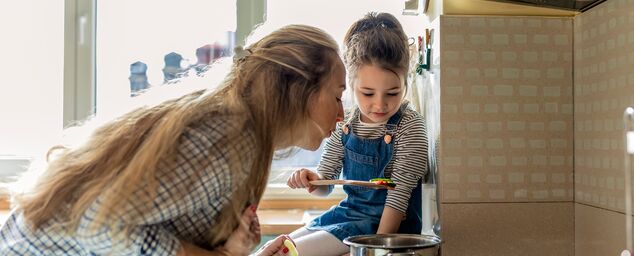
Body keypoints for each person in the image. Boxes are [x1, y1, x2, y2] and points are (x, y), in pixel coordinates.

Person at [0, 24, 347, 256]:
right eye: (337, 95)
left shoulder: (241, 138)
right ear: (299, 89)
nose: (341, 114)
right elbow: (100, 224)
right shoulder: (228, 141)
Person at [285, 12, 428, 256]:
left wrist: (377, 248)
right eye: (368, 93)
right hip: (348, 214)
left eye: (392, 93)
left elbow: (398, 198)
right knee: (281, 246)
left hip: (387, 226)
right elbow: (326, 185)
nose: (380, 105)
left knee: (292, 253)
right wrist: (313, 180)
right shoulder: (345, 125)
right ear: (350, 84)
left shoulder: (409, 126)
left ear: (406, 81)